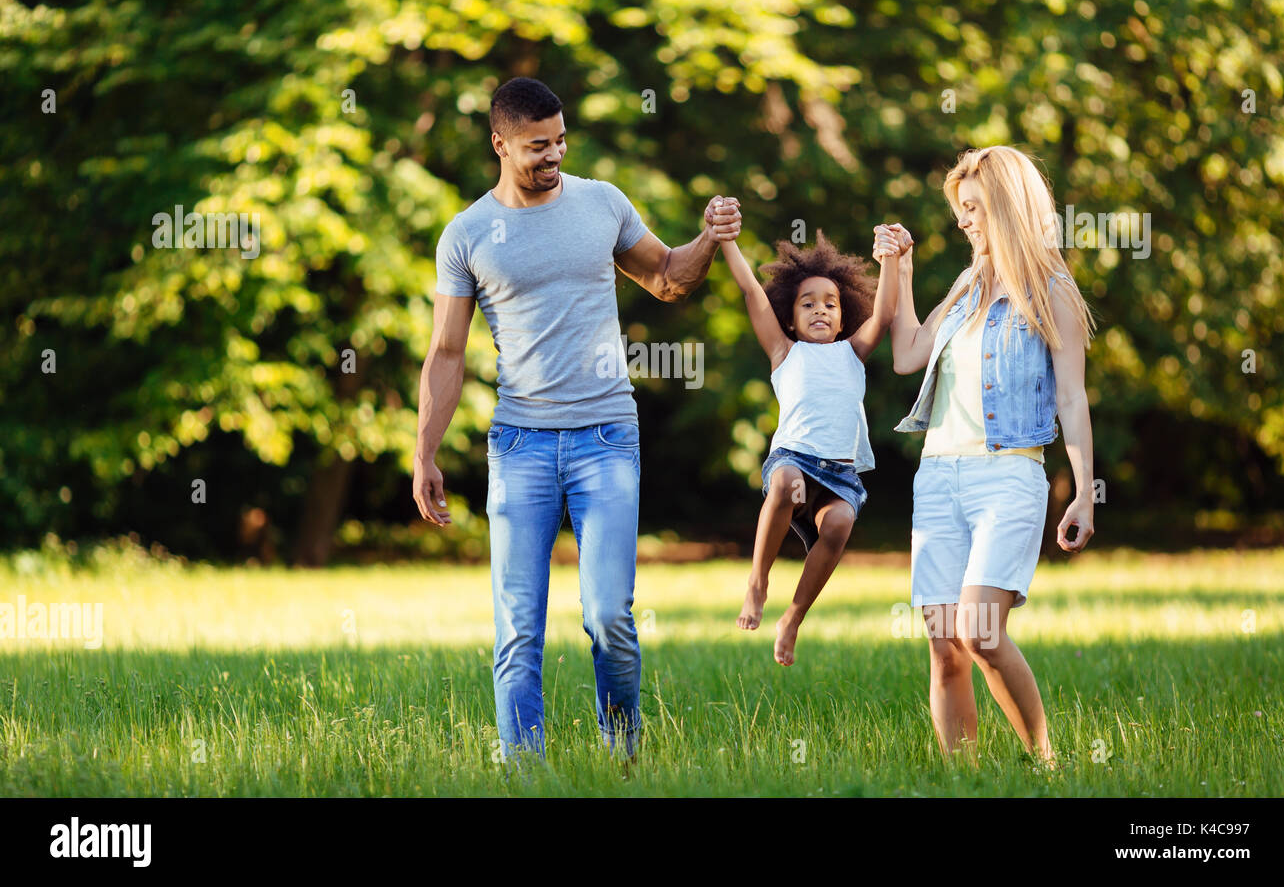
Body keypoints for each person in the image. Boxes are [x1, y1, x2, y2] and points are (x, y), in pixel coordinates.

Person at [412, 76, 742, 760]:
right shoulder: (468, 234)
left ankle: (622, 755)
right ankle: (523, 770)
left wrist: (708, 239)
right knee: (517, 628)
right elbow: (445, 352)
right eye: (538, 147)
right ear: (499, 143)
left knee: (609, 617)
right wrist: (425, 453)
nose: (554, 155)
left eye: (561, 141)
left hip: (606, 438)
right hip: (520, 443)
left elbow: (670, 279)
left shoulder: (602, 204)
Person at [887, 145, 1096, 767]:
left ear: (1006, 205)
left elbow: (1072, 395)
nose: (963, 221)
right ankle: (964, 778)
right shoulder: (967, 282)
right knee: (944, 642)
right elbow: (906, 355)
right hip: (939, 476)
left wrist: (1085, 490)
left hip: (1008, 474)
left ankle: (1044, 761)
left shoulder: (1051, 288)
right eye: (959, 209)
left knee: (981, 629)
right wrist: (900, 269)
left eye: (973, 207)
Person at [722, 229, 899, 665]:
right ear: (790, 317)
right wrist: (726, 240)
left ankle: (793, 618)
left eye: (830, 304)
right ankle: (758, 582)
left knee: (838, 525)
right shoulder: (784, 352)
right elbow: (750, 291)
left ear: (843, 318)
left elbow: (887, 311)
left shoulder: (853, 352)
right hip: (793, 459)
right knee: (785, 483)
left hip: (839, 475)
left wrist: (892, 259)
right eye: (808, 303)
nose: (819, 309)